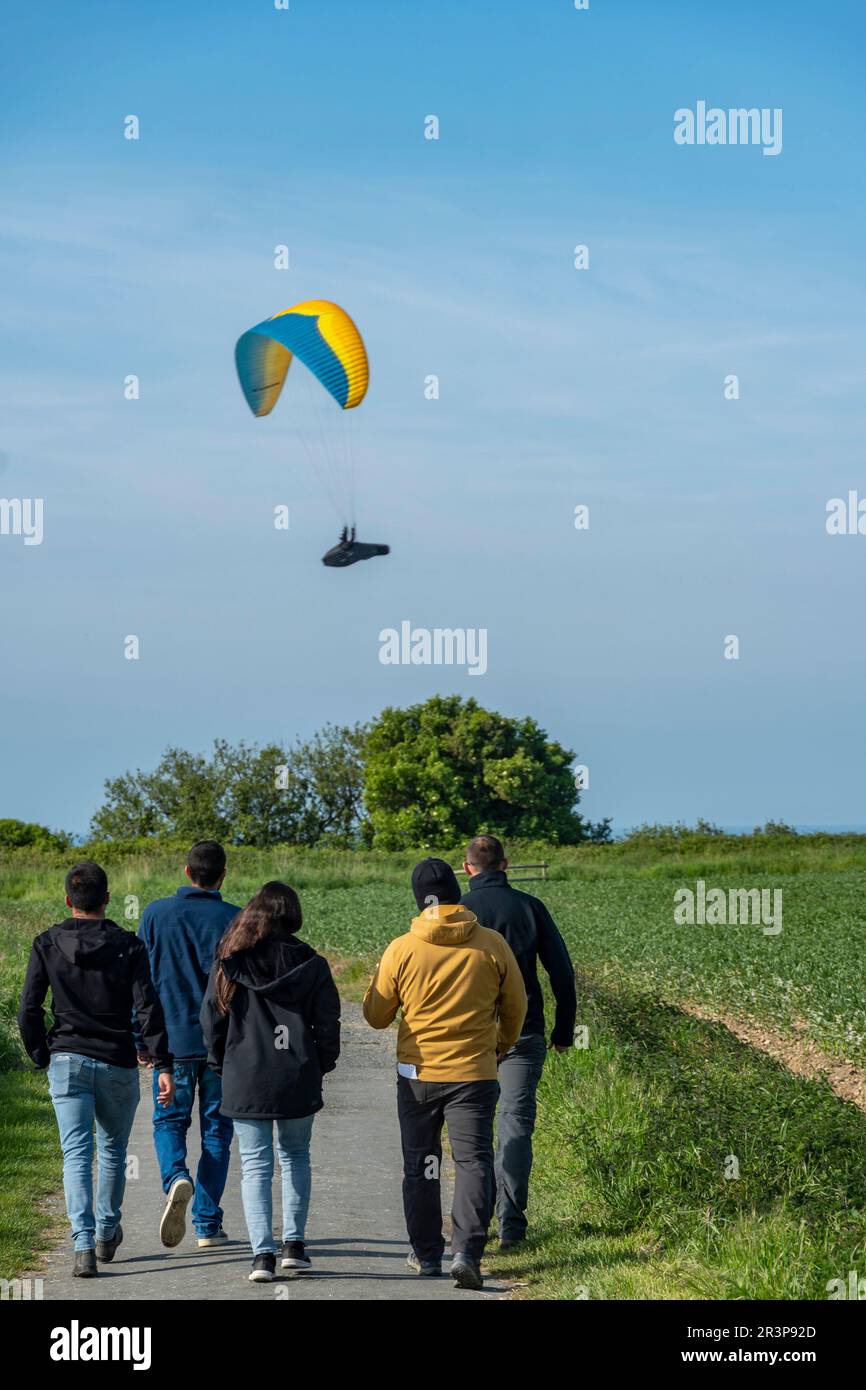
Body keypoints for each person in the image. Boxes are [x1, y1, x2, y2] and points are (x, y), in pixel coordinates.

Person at [363, 857, 526, 1290]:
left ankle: (426, 1253)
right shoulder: (491, 944)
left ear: (420, 900)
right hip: (475, 1072)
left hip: (417, 1074)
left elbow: (377, 1016)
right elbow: (517, 1006)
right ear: (457, 894)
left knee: (422, 1163)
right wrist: (500, 1046)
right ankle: (467, 1252)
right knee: (473, 1161)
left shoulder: (401, 947)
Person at [17, 860, 174, 1278]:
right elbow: (147, 1006)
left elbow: (28, 1008)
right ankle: (107, 1231)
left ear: (69, 900)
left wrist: (41, 1054)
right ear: (107, 898)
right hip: (117, 1060)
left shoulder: (46, 943)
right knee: (112, 1151)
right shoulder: (129, 945)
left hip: (67, 1058)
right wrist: (161, 1061)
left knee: (75, 1154)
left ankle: (83, 1245)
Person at [200, 881, 340, 1283]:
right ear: (292, 915)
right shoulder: (312, 963)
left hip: (246, 1075)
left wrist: (219, 1063)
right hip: (297, 1073)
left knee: (255, 1165)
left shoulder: (231, 961)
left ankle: (262, 1254)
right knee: (296, 1156)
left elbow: (212, 1020)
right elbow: (328, 1023)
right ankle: (294, 1245)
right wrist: (320, 1064)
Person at [461, 834, 577, 1249]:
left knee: (470, 1125)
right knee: (514, 1121)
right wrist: (564, 1031)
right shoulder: (531, 907)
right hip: (524, 1030)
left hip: (468, 1033)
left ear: (467, 867)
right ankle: (511, 1224)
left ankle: (472, 1224)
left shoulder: (457, 911)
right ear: (505, 865)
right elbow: (562, 972)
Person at [134, 840, 240, 1250]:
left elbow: (141, 984)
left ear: (186, 871)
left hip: (170, 1044)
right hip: (221, 1046)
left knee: (168, 1121)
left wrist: (139, 1038)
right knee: (217, 1131)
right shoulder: (236, 920)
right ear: (223, 875)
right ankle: (207, 1225)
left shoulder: (156, 915)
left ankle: (176, 1176)